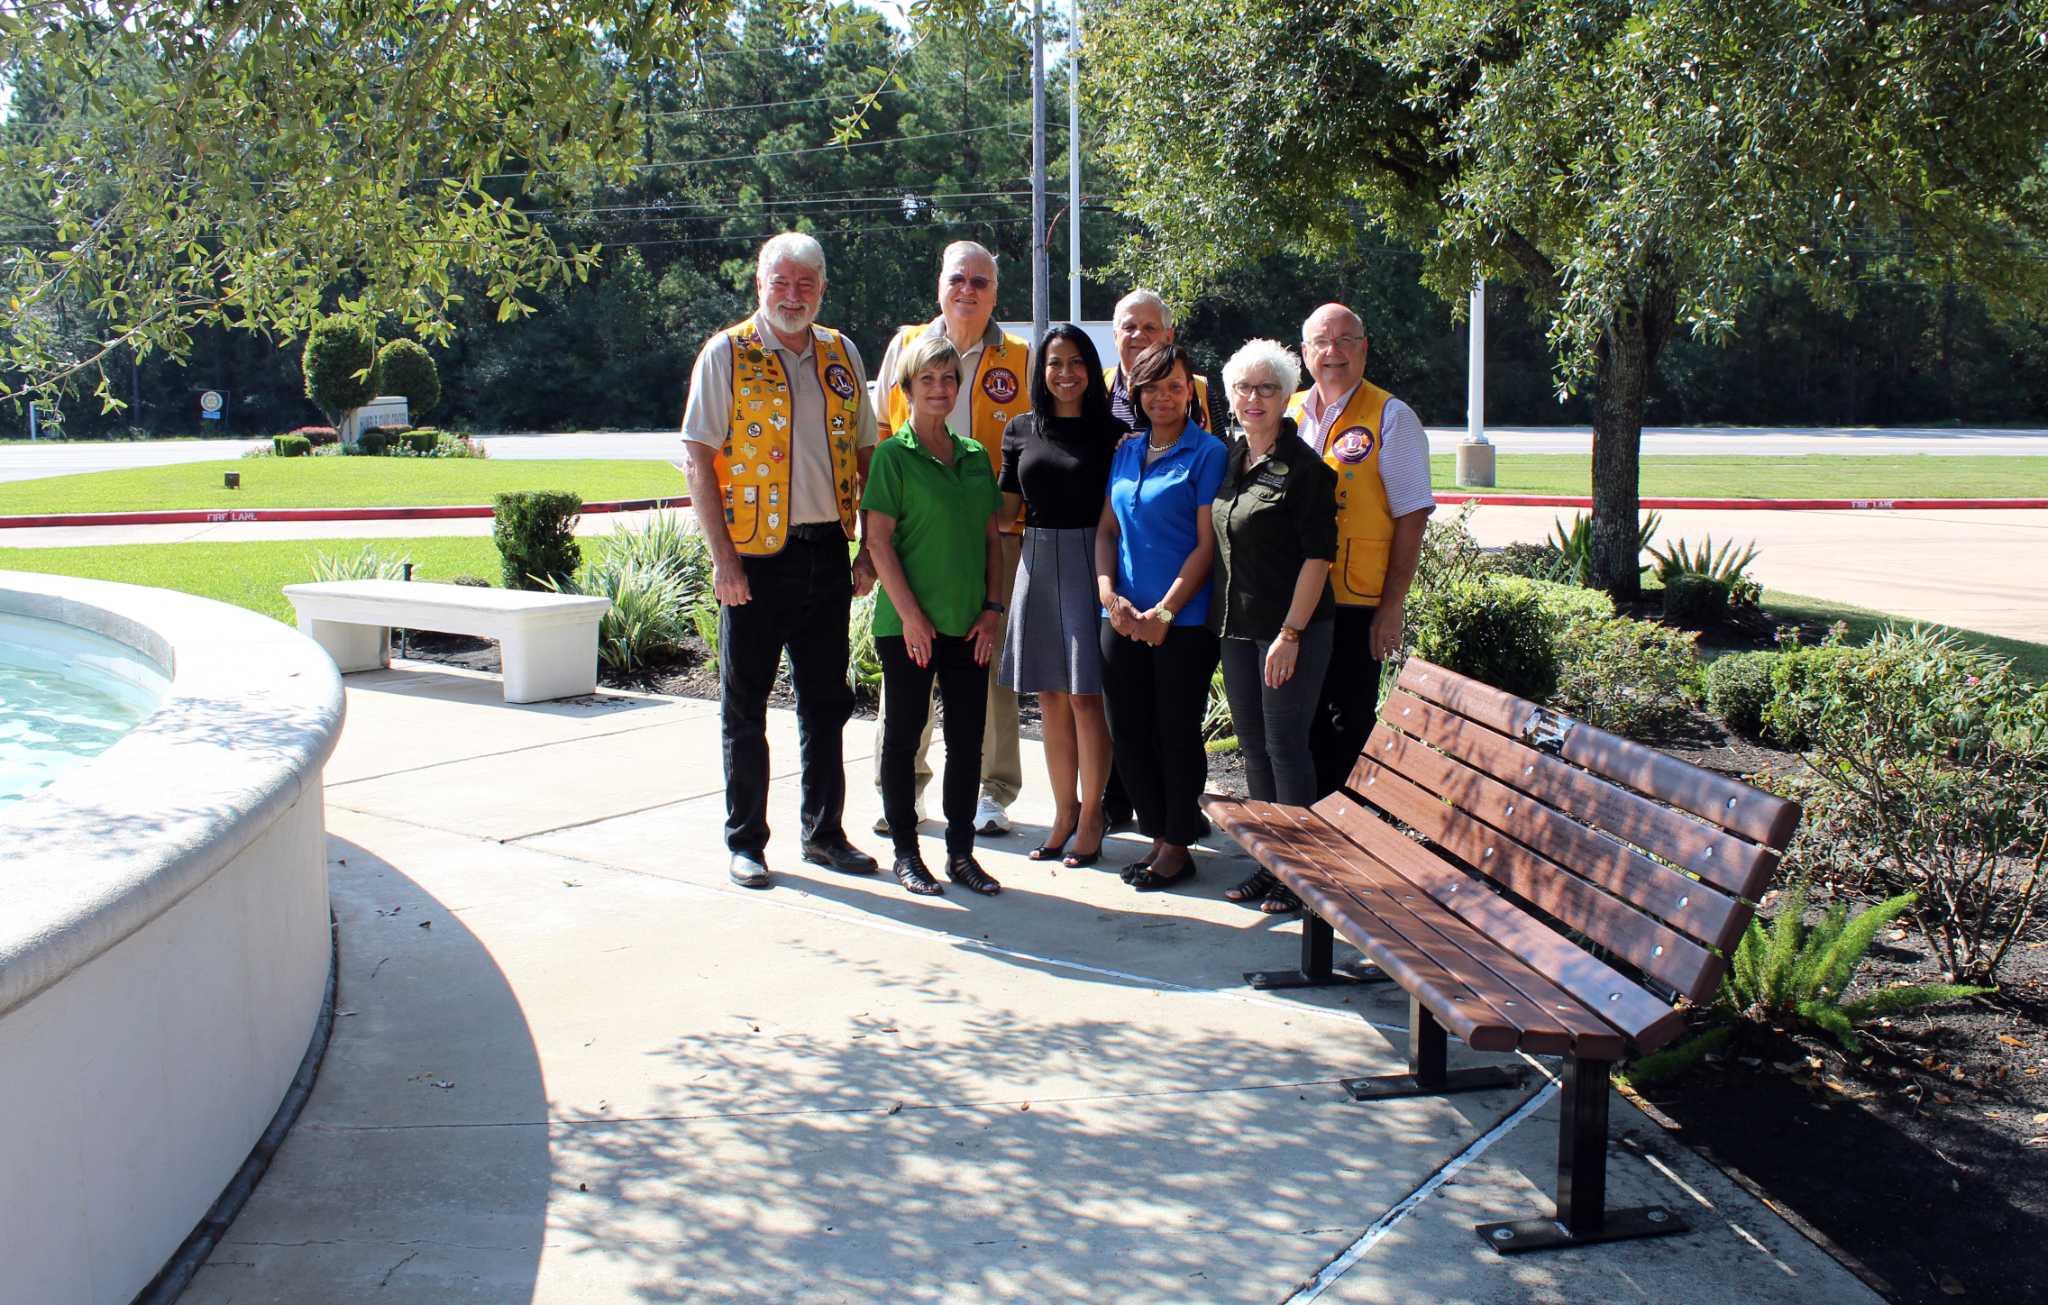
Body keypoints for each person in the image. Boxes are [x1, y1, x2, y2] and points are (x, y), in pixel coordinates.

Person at [680, 232, 882, 889]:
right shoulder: (727, 354)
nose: (793, 295)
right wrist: (723, 560)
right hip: (755, 559)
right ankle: (747, 843)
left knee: (827, 702)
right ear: (759, 285)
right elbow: (699, 459)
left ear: (822, 288)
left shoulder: (842, 353)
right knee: (745, 705)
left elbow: (866, 456)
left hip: (827, 548)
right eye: (781, 282)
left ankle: (824, 833)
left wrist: (867, 550)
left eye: (806, 283)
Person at [870, 241, 1031, 837]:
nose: (969, 289)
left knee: (987, 669)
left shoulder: (1019, 356)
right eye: (958, 278)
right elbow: (880, 436)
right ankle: (902, 790)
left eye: (981, 281)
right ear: (940, 284)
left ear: (996, 290)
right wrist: (871, 537)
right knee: (909, 664)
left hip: (991, 530)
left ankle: (991, 792)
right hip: (910, 527)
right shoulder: (905, 346)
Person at [864, 334, 1007, 897]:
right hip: (908, 627)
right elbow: (878, 543)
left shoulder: (974, 456)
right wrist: (912, 618)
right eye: (928, 379)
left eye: (949, 378)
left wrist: (993, 611)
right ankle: (906, 852)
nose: (940, 388)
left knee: (968, 741)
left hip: (970, 624)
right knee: (903, 740)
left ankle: (961, 854)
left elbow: (992, 542)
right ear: (907, 388)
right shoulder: (893, 458)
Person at [1209, 340, 1338, 914]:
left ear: (1287, 396)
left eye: (1267, 388)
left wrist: (1290, 635)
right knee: (1255, 750)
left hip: (1291, 630)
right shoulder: (1232, 459)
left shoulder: (1306, 468)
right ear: (1230, 396)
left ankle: (1301, 876)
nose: (1254, 398)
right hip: (1238, 627)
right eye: (1244, 388)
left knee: (1287, 747)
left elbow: (1318, 558)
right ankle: (1269, 863)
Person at [1094, 343, 1227, 891]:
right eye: (1151, 387)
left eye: (1175, 386)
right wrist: (1108, 595)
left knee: (1174, 733)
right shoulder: (1126, 451)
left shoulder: (1208, 453)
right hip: (1122, 617)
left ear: (1191, 392)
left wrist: (1165, 612)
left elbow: (1205, 546)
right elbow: (1106, 529)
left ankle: (1177, 845)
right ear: (1135, 393)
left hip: (1184, 623)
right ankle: (1156, 835)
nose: (1163, 397)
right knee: (1127, 732)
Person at [1289, 303, 1436, 798]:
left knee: (1345, 724)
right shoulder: (1286, 412)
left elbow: (1411, 515)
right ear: (1305, 352)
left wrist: (1391, 607)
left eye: (1346, 340)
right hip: (1290, 600)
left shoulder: (1392, 417)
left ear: (1364, 349)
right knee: (1296, 726)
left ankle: (1343, 840)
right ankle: (1300, 842)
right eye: (1323, 342)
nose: (1334, 352)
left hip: (1354, 603)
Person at [997, 324, 1124, 869]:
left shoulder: (1113, 433)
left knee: (1085, 697)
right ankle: (1063, 812)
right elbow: (1004, 514)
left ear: (1090, 370)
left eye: (1076, 362)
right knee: (1049, 695)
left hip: (1090, 560)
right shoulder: (1020, 429)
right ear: (1040, 371)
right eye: (1054, 363)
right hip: (1034, 559)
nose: (1065, 373)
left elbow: (1118, 511)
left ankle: (1094, 813)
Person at [1103, 289, 1217, 435]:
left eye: (1149, 328)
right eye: (1129, 327)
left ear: (1169, 337)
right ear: (1115, 336)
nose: (1138, 335)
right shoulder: (1094, 387)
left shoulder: (1200, 389)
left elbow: (1221, 453)